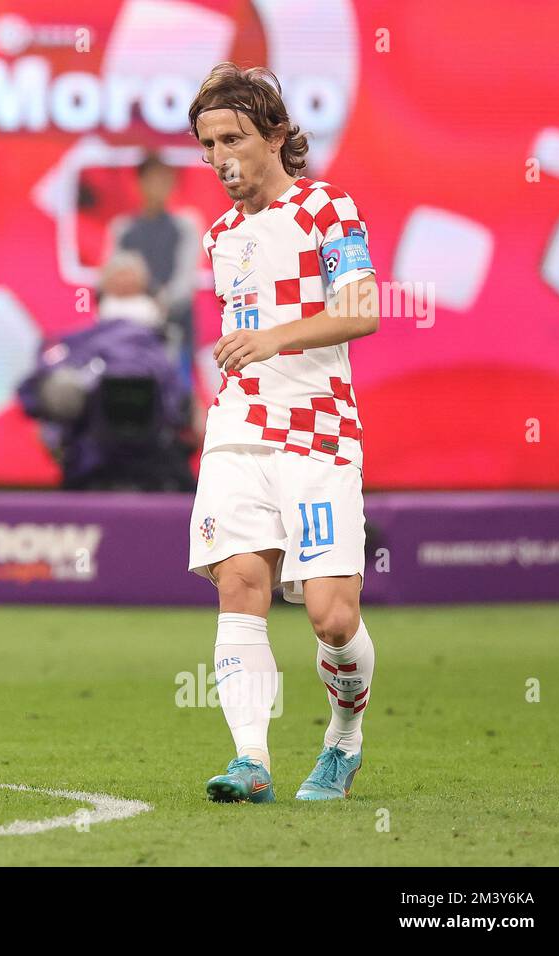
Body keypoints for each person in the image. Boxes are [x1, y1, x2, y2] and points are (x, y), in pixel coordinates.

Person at [185, 63, 379, 803]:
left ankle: (343, 740)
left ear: (274, 135)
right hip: (237, 431)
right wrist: (249, 353)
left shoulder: (329, 210)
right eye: (208, 144)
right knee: (240, 585)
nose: (221, 158)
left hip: (320, 431)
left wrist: (274, 338)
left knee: (332, 617)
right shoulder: (221, 237)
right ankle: (250, 759)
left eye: (232, 138)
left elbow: (362, 311)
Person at [118, 153, 199, 375]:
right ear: (139, 183)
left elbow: (184, 281)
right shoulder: (123, 229)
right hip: (131, 330)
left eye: (165, 180)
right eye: (153, 179)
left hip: (175, 326)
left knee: (177, 393)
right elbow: (114, 276)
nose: (159, 186)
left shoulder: (185, 225)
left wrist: (158, 305)